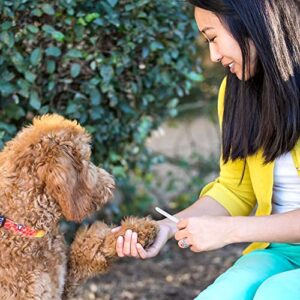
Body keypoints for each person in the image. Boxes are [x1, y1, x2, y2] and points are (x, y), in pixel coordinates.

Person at [113, 0, 300, 299]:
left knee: (275, 293)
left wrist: (229, 230)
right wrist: (166, 228)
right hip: (280, 251)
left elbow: (232, 223)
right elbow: (235, 190)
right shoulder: (236, 92)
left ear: (252, 19)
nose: (213, 56)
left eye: (213, 37)